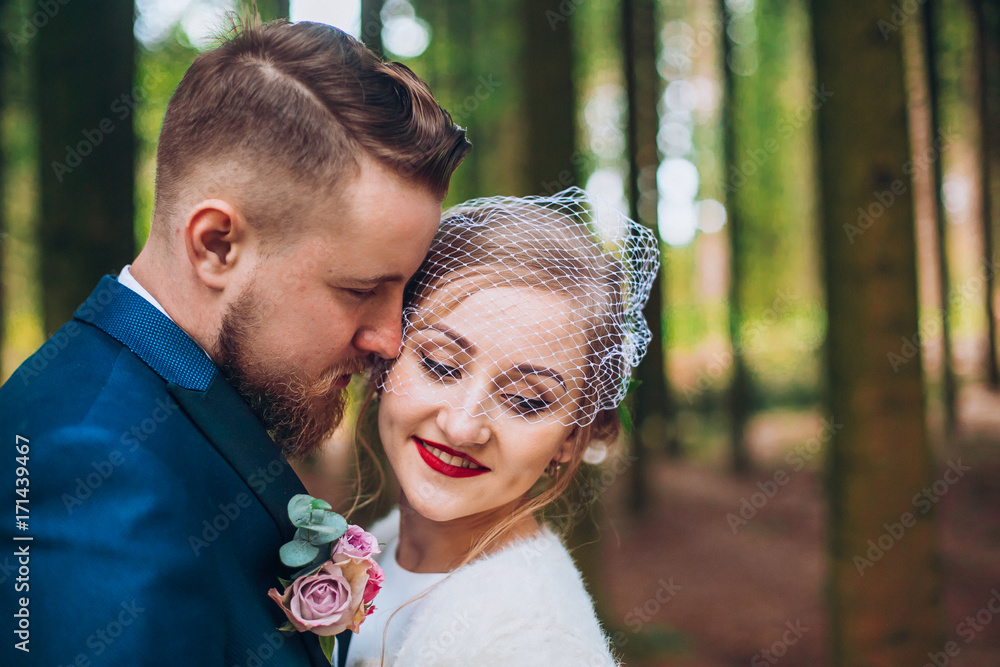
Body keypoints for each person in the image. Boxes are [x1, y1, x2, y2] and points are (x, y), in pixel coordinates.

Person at [0, 19, 469, 667]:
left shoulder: (173, 400)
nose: (390, 338)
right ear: (216, 245)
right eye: (361, 289)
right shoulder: (92, 467)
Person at [346, 187, 660, 666]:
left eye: (526, 400)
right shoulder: (382, 546)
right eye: (441, 365)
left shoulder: (538, 645)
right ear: (389, 353)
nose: (464, 426)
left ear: (573, 436)